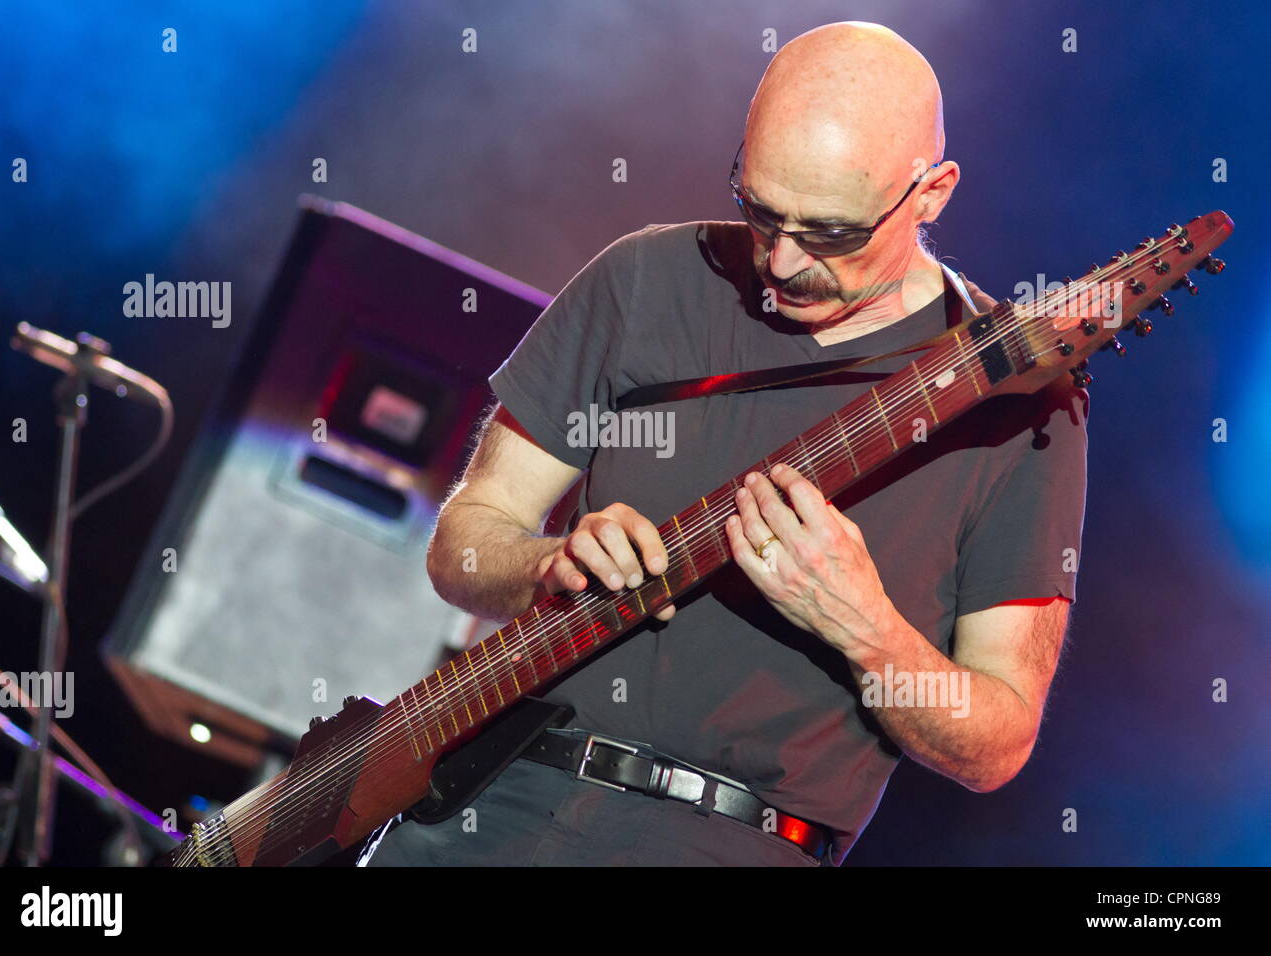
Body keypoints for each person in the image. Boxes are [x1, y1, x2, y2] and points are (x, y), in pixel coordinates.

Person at [363, 20, 1087, 867]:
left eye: (829, 233)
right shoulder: (643, 278)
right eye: (761, 211)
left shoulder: (1020, 401)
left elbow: (996, 744)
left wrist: (864, 628)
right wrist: (547, 565)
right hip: (491, 799)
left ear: (930, 193)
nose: (781, 263)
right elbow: (462, 546)